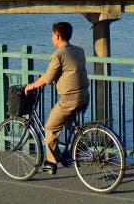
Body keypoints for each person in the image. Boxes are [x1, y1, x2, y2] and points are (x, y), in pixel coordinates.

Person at [24, 21, 89, 174]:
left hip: (70, 99)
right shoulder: (79, 51)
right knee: (68, 122)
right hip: (84, 95)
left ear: (58, 36)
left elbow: (47, 78)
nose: (51, 38)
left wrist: (32, 86)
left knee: (50, 127)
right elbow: (70, 71)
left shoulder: (58, 55)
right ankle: (76, 149)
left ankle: (51, 162)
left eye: (52, 35)